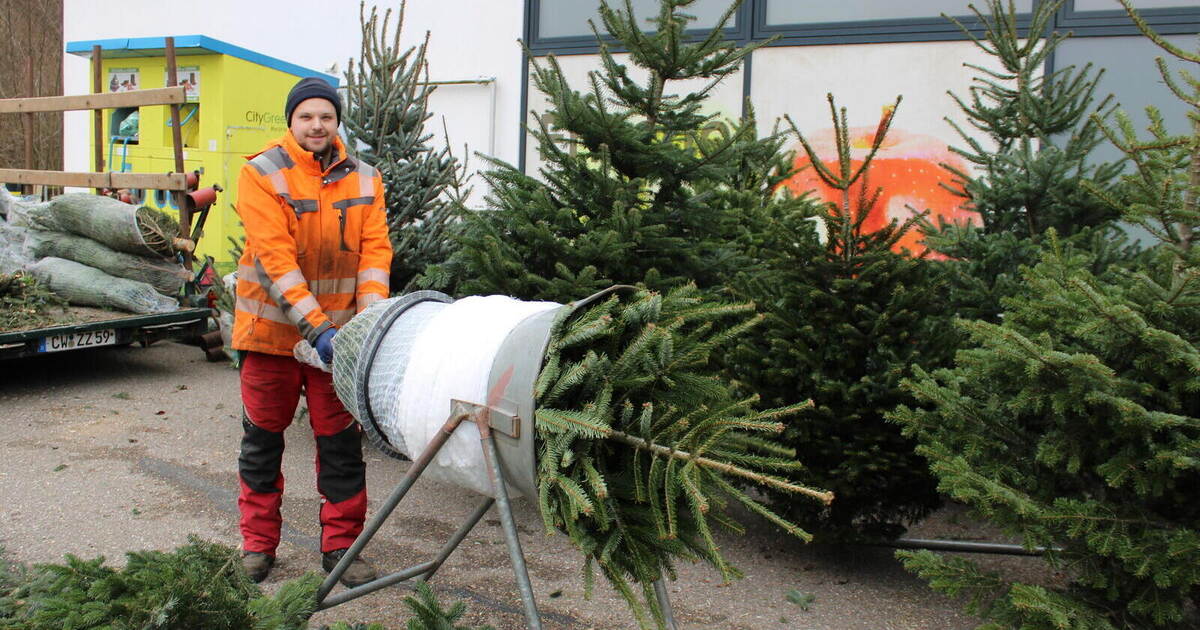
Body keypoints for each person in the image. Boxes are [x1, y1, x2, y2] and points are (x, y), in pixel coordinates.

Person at [231, 76, 392, 586]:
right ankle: (257, 547)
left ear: (337, 121)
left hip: (338, 345)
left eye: (325, 115)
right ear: (291, 121)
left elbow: (374, 256)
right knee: (262, 442)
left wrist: (366, 325)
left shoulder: (366, 178)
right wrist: (316, 328)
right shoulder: (261, 173)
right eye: (307, 116)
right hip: (272, 336)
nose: (317, 125)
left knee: (342, 445)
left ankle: (342, 549)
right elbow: (275, 259)